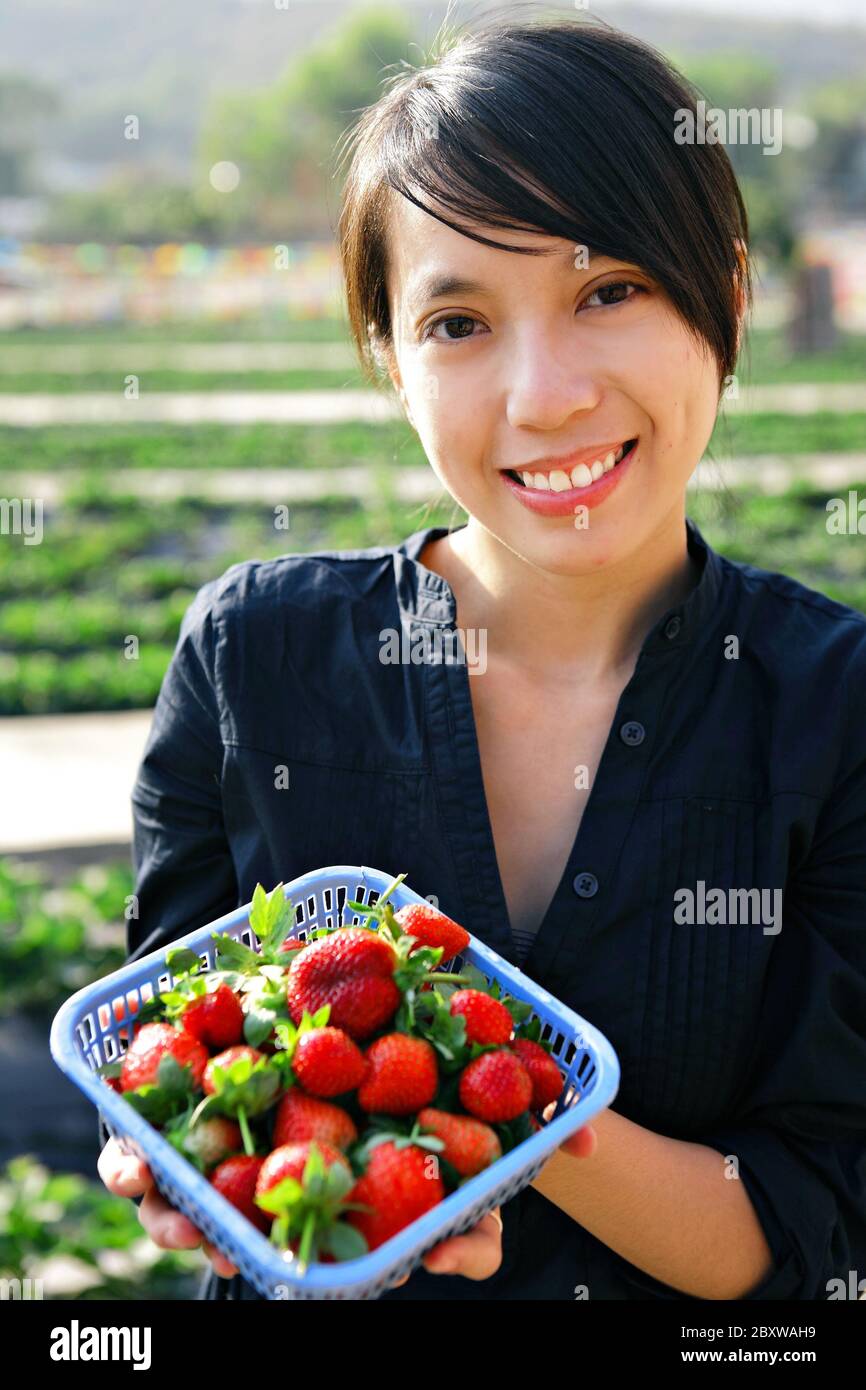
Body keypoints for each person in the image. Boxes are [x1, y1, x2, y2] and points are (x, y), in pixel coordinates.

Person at [98, 12, 866, 1300]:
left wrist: (496, 1104)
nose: (544, 394)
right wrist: (185, 1158)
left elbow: (799, 1230)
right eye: (458, 322)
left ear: (726, 292)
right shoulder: (255, 663)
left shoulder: (832, 708)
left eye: (609, 289)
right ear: (390, 360)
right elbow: (173, 1061)